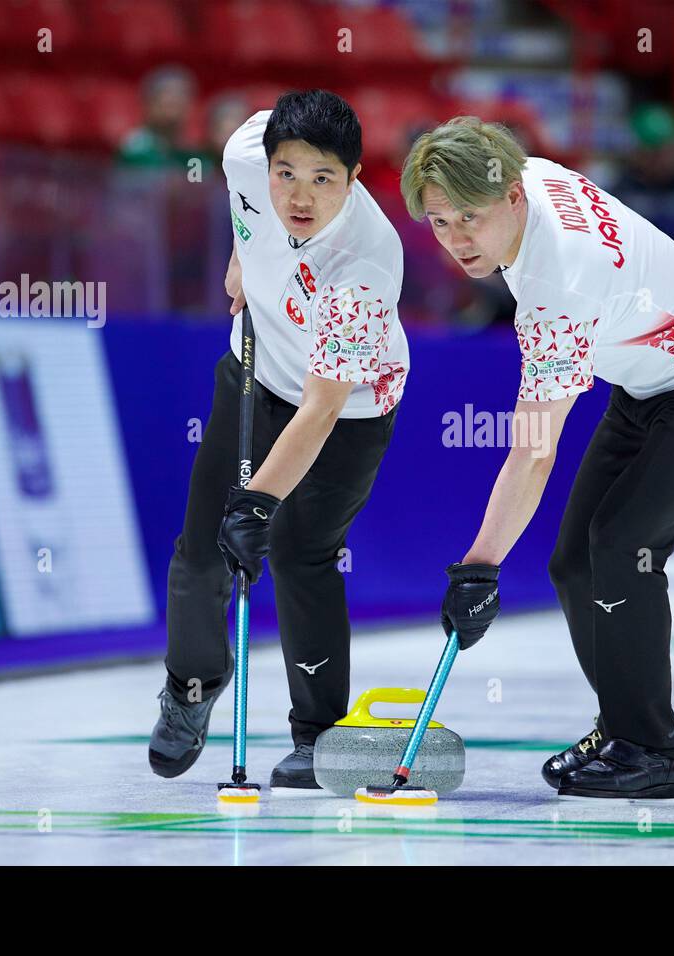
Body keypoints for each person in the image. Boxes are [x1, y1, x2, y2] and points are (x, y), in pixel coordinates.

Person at [399, 117, 674, 799]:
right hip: (651, 384)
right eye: (439, 222)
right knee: (576, 561)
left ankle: (649, 752)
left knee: (623, 547)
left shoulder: (558, 282)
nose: (456, 240)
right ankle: (621, 728)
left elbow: (533, 451)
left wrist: (478, 568)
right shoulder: (531, 173)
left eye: (470, 218)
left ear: (511, 197)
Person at [149, 90, 409, 789]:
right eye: (286, 174)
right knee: (200, 548)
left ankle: (320, 734)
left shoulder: (367, 261)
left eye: (324, 178)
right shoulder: (242, 152)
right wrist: (246, 259)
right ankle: (192, 688)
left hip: (349, 406)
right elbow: (249, 210)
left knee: (300, 554)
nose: (300, 194)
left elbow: (321, 410)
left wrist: (258, 503)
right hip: (256, 365)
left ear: (354, 181)